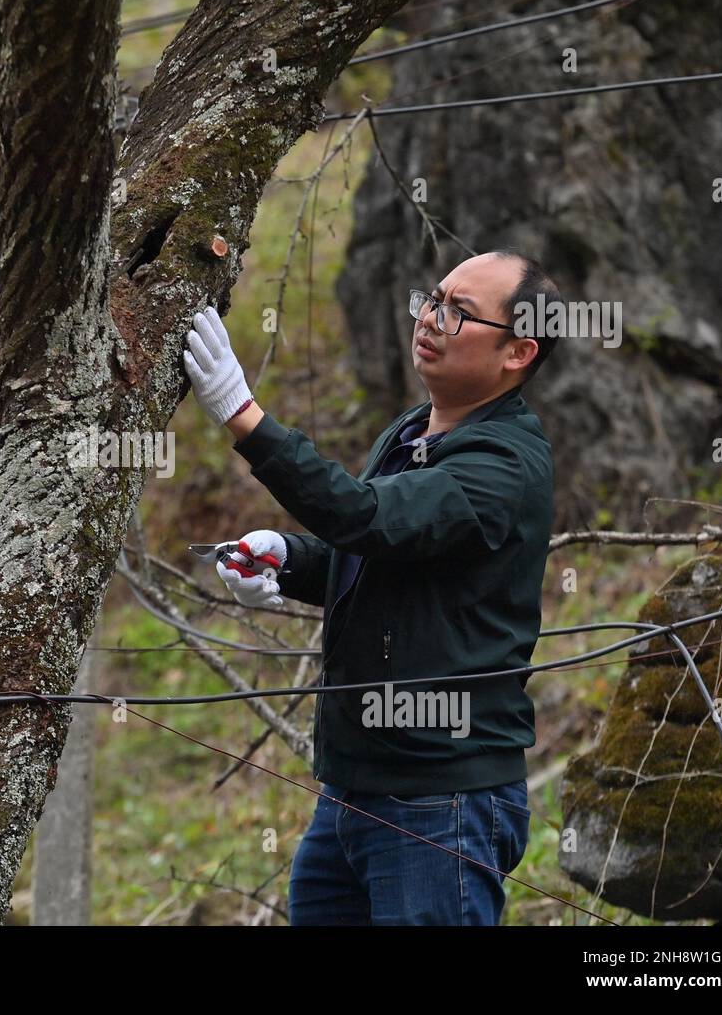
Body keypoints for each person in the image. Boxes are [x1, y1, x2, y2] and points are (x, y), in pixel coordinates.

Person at [182, 249, 561, 925]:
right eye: (432, 297)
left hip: (440, 801)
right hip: (353, 789)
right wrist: (285, 558)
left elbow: (371, 517)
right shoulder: (414, 431)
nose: (431, 318)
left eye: (459, 311)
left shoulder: (505, 464)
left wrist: (245, 417)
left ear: (517, 352)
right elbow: (375, 550)